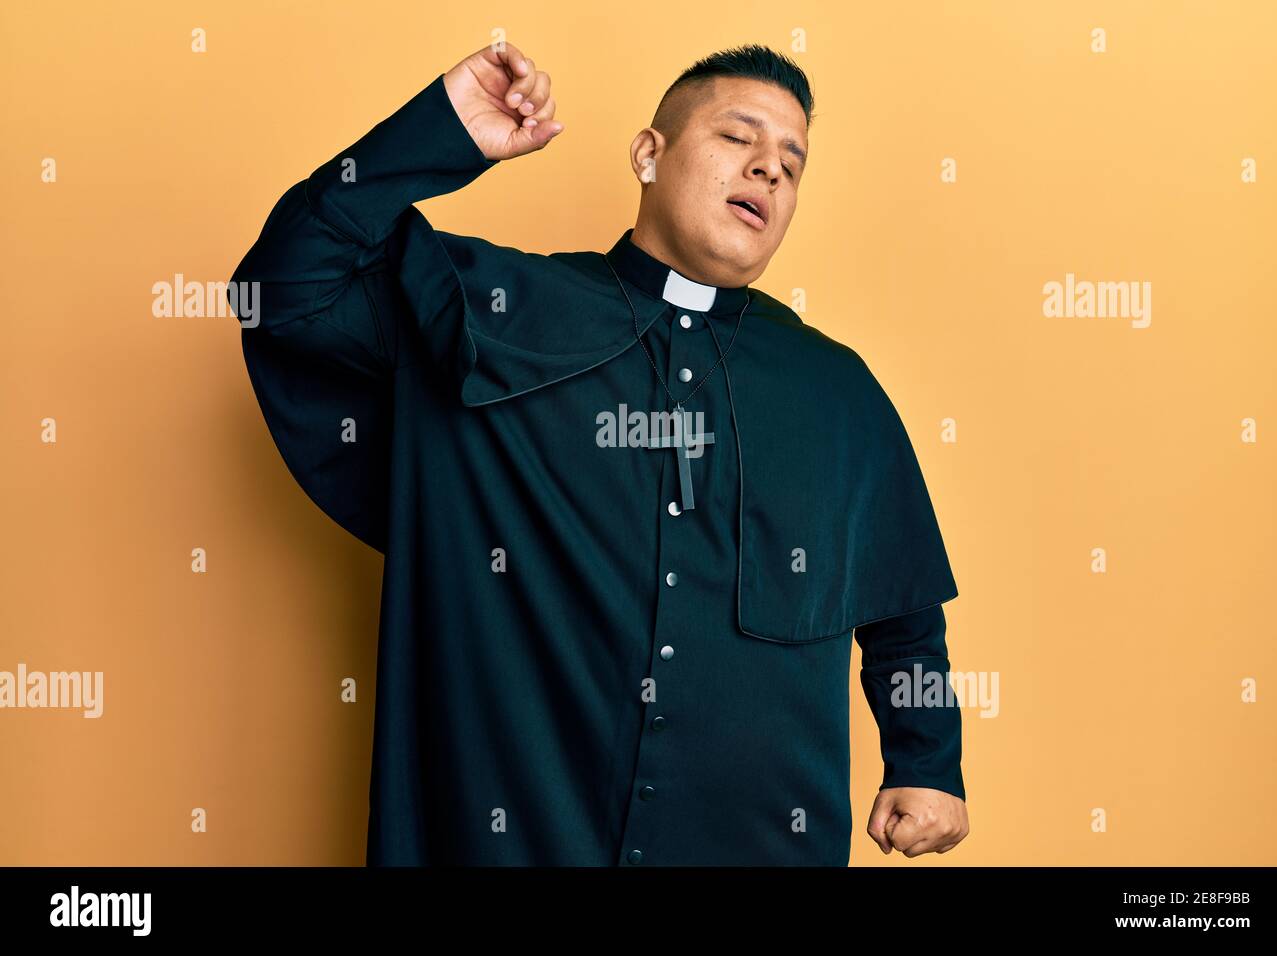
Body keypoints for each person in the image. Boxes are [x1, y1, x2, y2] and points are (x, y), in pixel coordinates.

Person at [228, 40, 970, 865]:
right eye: (738, 138)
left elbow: (904, 613)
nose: (768, 170)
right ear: (649, 154)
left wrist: (928, 759)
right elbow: (285, 291)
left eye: (791, 165)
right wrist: (438, 135)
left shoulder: (837, 393)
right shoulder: (492, 312)